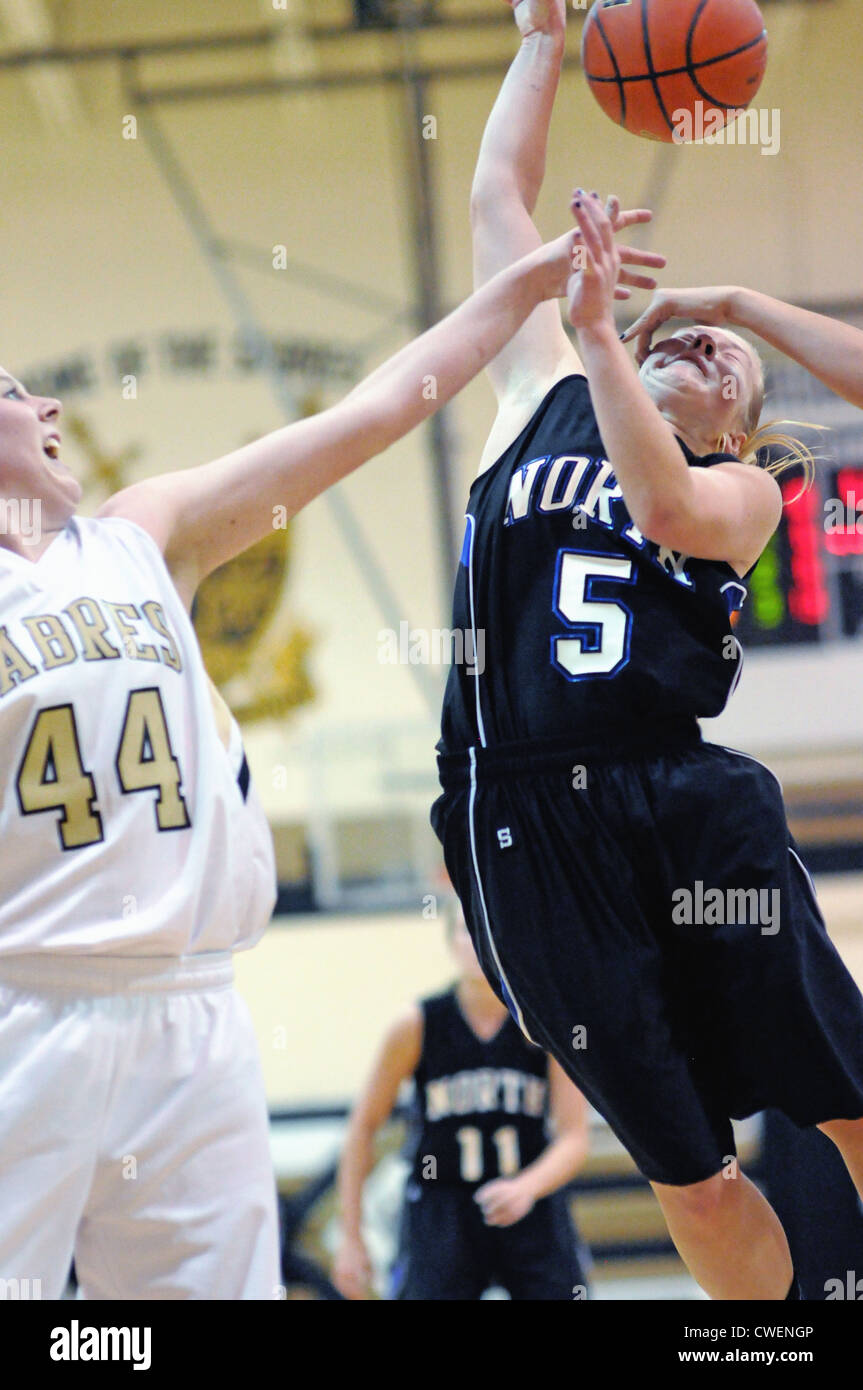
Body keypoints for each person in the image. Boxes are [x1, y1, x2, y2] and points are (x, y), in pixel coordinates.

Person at [0, 213, 663, 1300]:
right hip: (20, 1002)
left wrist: (524, 286)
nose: (51, 406)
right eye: (21, 395)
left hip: (192, 1005)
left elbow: (369, 410)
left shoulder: (143, 534)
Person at [430, 0, 863, 1302]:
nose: (703, 345)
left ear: (744, 421)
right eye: (687, 330)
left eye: (723, 354)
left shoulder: (735, 495)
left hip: (678, 795)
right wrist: (539, 43)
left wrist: (625, 331)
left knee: (839, 1095)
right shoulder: (535, 398)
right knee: (691, 1169)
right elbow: (495, 199)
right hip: (519, 812)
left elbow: (663, 507)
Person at [333, 902, 592, 1300]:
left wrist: (527, 1187)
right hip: (442, 1208)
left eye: (486, 930)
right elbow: (362, 1126)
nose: (476, 943)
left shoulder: (542, 1021)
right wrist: (351, 1238)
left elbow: (575, 1138)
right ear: (450, 944)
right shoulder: (416, 1024)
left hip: (529, 1201)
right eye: (465, 931)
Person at [622, 284, 863, 410]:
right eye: (682, 339)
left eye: (732, 358)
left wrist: (733, 303)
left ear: (734, 440)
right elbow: (586, 316)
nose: (702, 343)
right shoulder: (588, 427)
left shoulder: (756, 487)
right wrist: (583, 260)